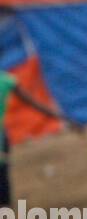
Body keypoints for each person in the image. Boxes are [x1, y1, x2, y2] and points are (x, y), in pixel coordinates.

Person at [0, 68, 81, 209]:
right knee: (3, 185)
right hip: (2, 140)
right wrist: (64, 118)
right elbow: (34, 103)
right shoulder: (6, 80)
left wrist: (64, 119)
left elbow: (33, 103)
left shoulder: (6, 80)